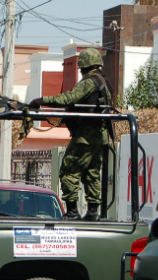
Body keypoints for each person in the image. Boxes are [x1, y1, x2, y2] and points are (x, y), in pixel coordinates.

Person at [28, 48, 113, 221]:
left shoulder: (89, 82)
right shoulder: (104, 83)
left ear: (84, 65)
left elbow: (68, 98)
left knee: (68, 172)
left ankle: (73, 212)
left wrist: (42, 100)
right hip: (98, 137)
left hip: (85, 137)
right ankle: (92, 212)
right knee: (91, 174)